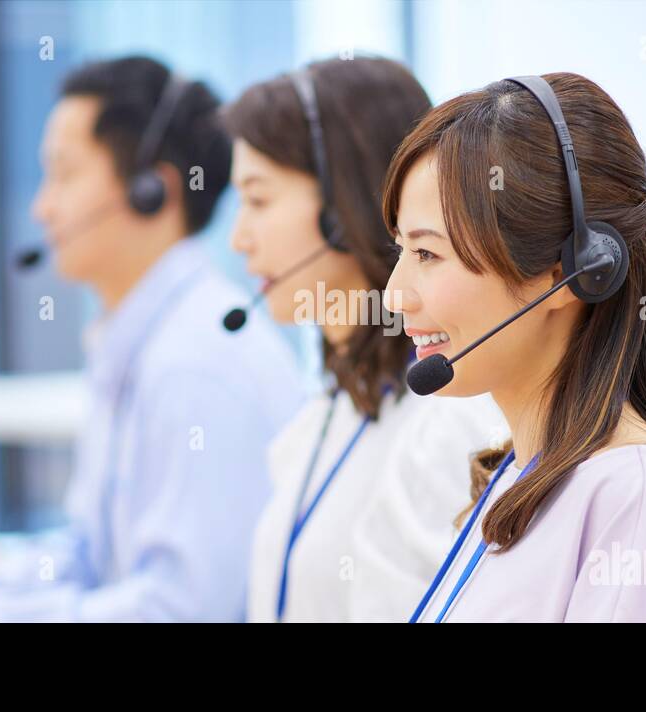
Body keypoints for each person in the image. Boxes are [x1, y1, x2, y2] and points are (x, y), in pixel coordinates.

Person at [0, 56, 302, 622]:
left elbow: (180, 611)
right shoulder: (143, 338)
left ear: (151, 189)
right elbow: (88, 557)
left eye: (64, 173)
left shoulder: (197, 364)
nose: (42, 206)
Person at [383, 72, 646, 622]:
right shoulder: (522, 474)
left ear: (570, 273)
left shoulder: (638, 498)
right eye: (401, 251)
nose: (394, 296)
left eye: (428, 255)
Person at [223, 57, 507, 622]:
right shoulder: (336, 408)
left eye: (258, 200)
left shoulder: (446, 420)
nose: (239, 239)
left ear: (339, 208)